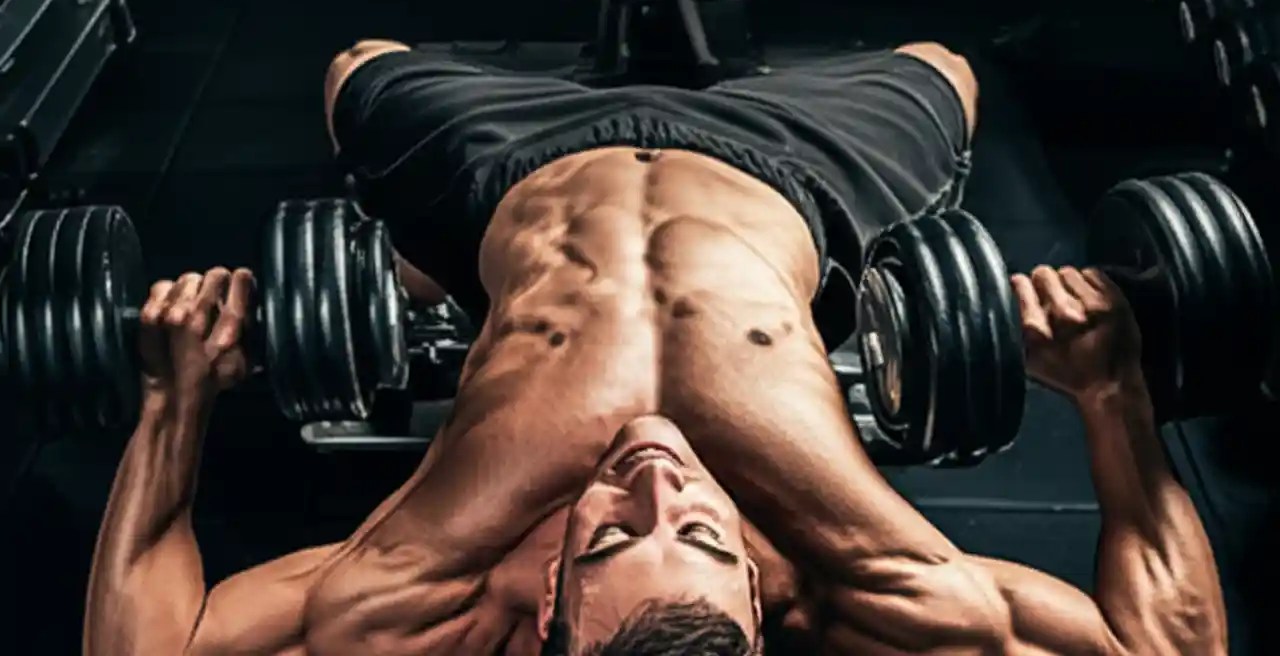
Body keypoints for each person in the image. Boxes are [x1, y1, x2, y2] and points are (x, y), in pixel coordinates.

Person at [83, 38, 1228, 655]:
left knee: (351, 68)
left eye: (605, 538)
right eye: (701, 534)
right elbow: (1165, 645)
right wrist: (1110, 390)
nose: (656, 471)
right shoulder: (893, 604)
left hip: (514, 176)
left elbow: (147, 642)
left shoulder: (416, 607)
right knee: (947, 68)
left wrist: (171, 402)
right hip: (792, 178)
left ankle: (425, 274)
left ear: (550, 618)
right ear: (757, 596)